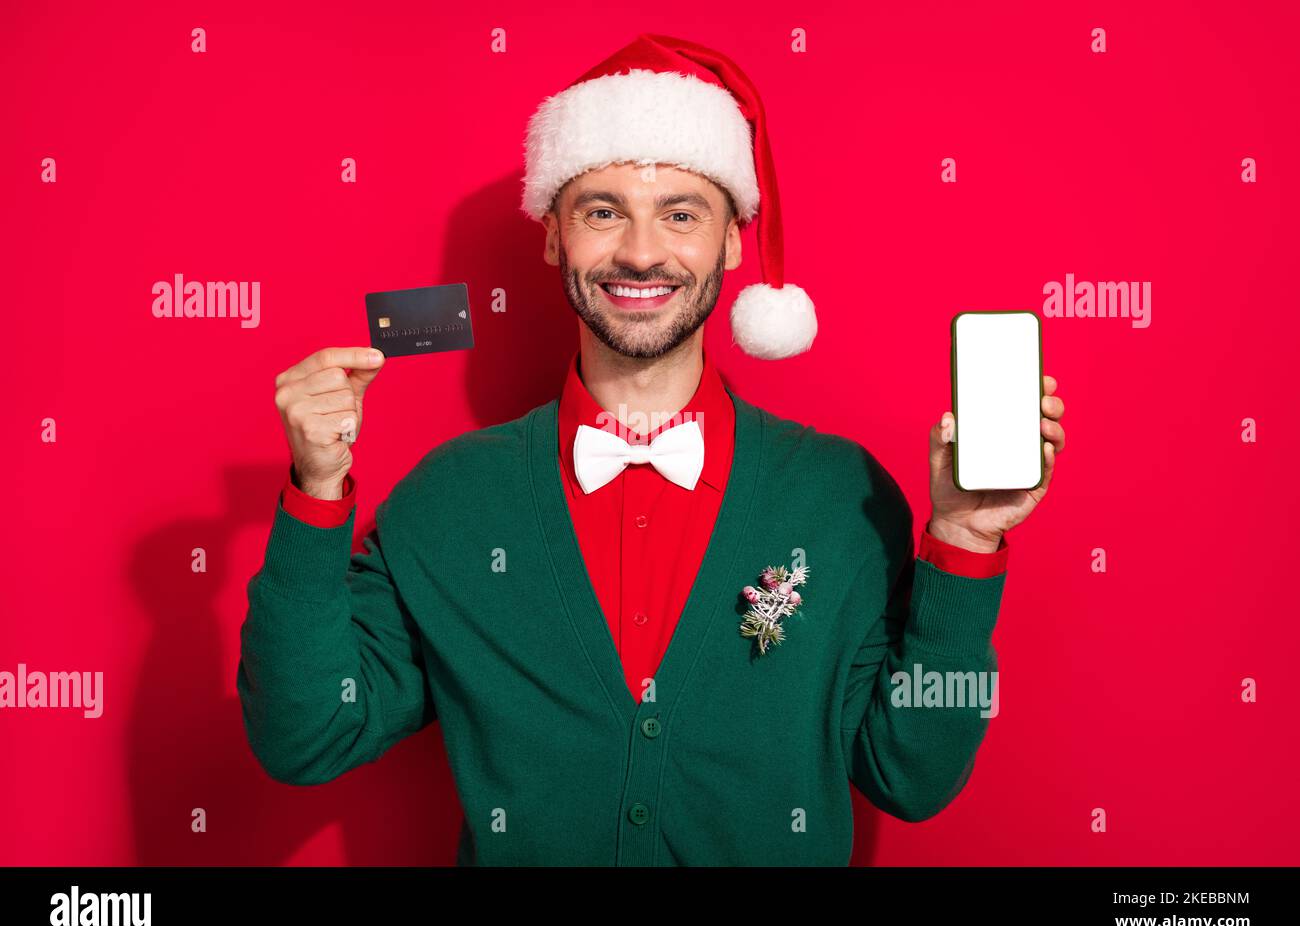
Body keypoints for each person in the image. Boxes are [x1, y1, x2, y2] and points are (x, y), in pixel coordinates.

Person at [237, 33, 1066, 866]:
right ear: (554, 237)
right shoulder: (448, 502)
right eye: (602, 212)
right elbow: (305, 737)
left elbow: (912, 776)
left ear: (734, 242)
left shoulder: (841, 496)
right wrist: (315, 491)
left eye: (680, 213)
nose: (640, 252)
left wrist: (965, 540)